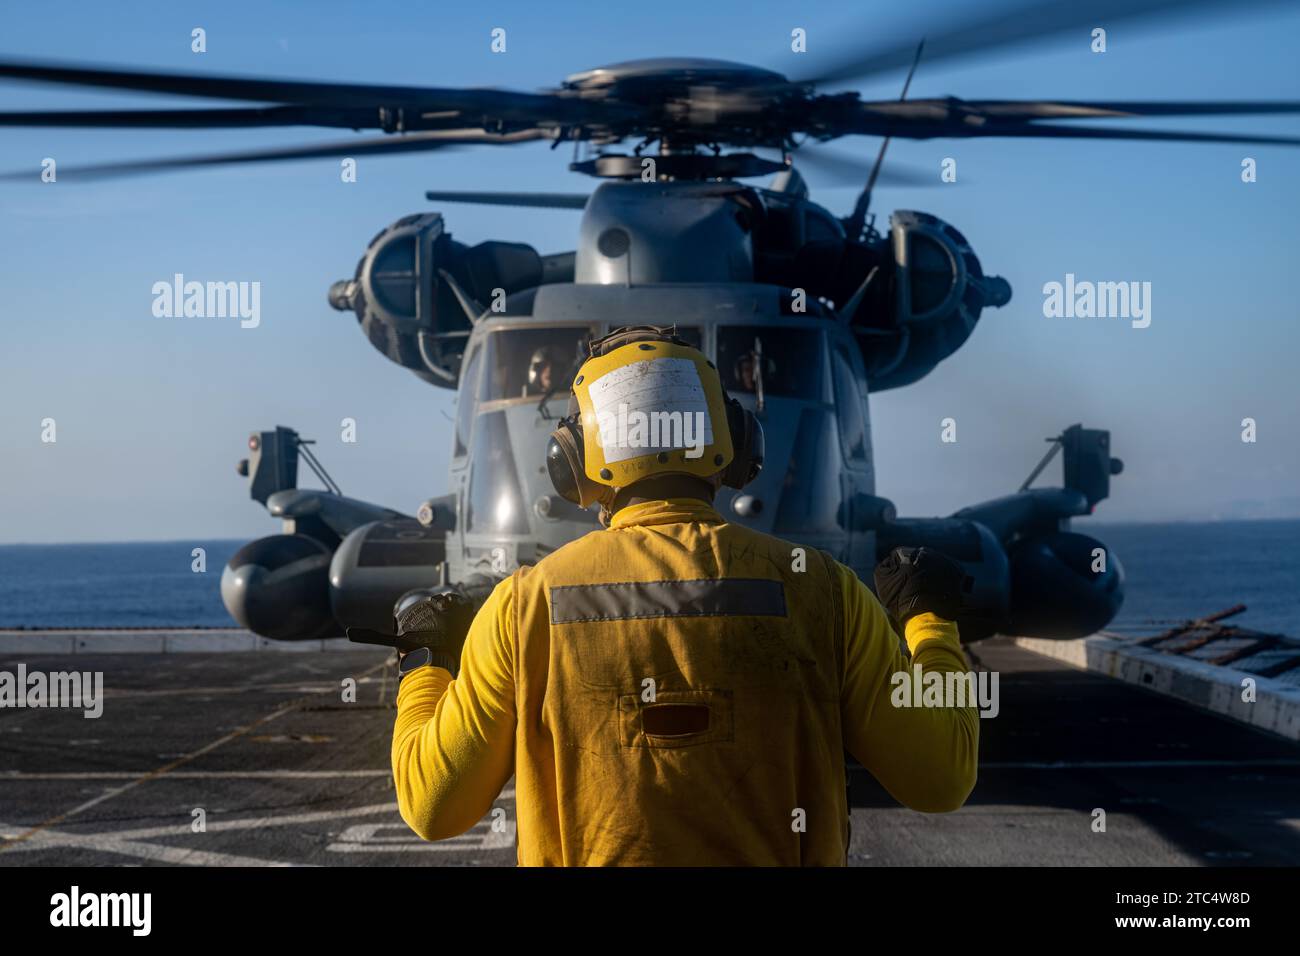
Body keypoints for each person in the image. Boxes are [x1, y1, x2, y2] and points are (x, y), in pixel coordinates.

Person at [391, 325, 978, 866]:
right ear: (737, 442)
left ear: (572, 461)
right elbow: (942, 777)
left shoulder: (523, 606)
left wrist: (425, 659)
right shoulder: (825, 589)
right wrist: (930, 622)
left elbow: (432, 808)